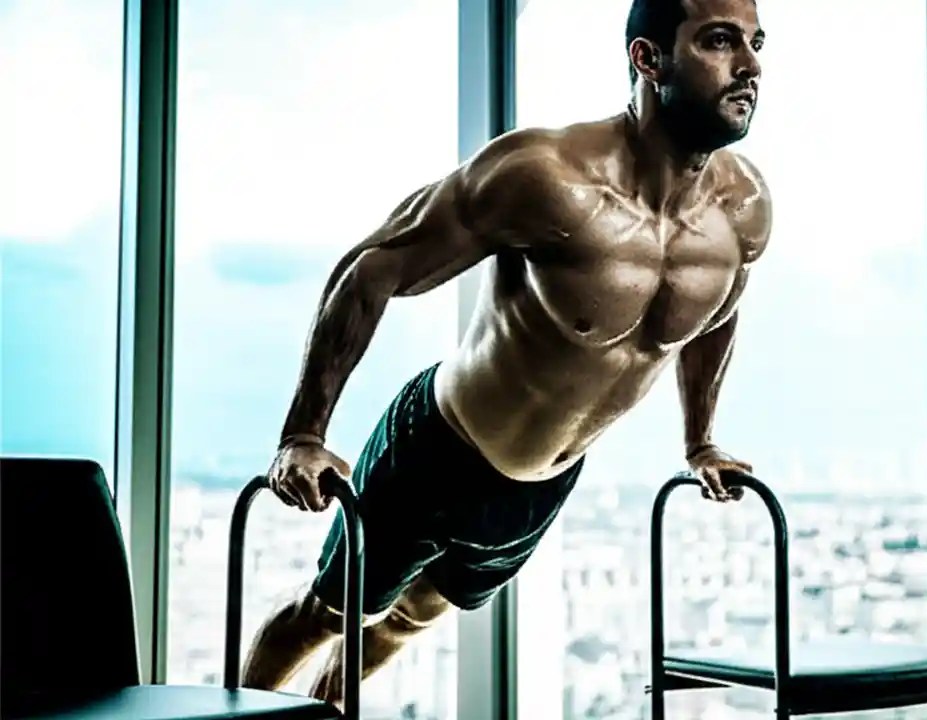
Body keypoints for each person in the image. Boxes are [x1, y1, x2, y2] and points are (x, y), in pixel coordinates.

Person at [240, 0, 771, 707]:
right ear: (648, 59)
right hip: (438, 448)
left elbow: (714, 316)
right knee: (330, 614)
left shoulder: (742, 210)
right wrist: (303, 434)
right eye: (720, 41)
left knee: (402, 625)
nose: (750, 65)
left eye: (756, 43)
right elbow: (374, 266)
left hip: (540, 487)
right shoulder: (547, 176)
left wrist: (699, 441)